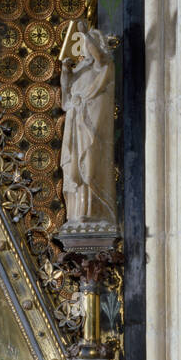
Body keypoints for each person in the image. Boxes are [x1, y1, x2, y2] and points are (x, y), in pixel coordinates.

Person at [60, 21, 117, 223]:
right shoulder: (80, 72)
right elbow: (65, 102)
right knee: (74, 169)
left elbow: (100, 57)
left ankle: (95, 211)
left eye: (89, 43)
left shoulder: (103, 67)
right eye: (84, 43)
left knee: (90, 165)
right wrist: (66, 74)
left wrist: (85, 34)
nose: (85, 47)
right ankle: (76, 213)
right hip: (75, 129)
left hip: (92, 129)